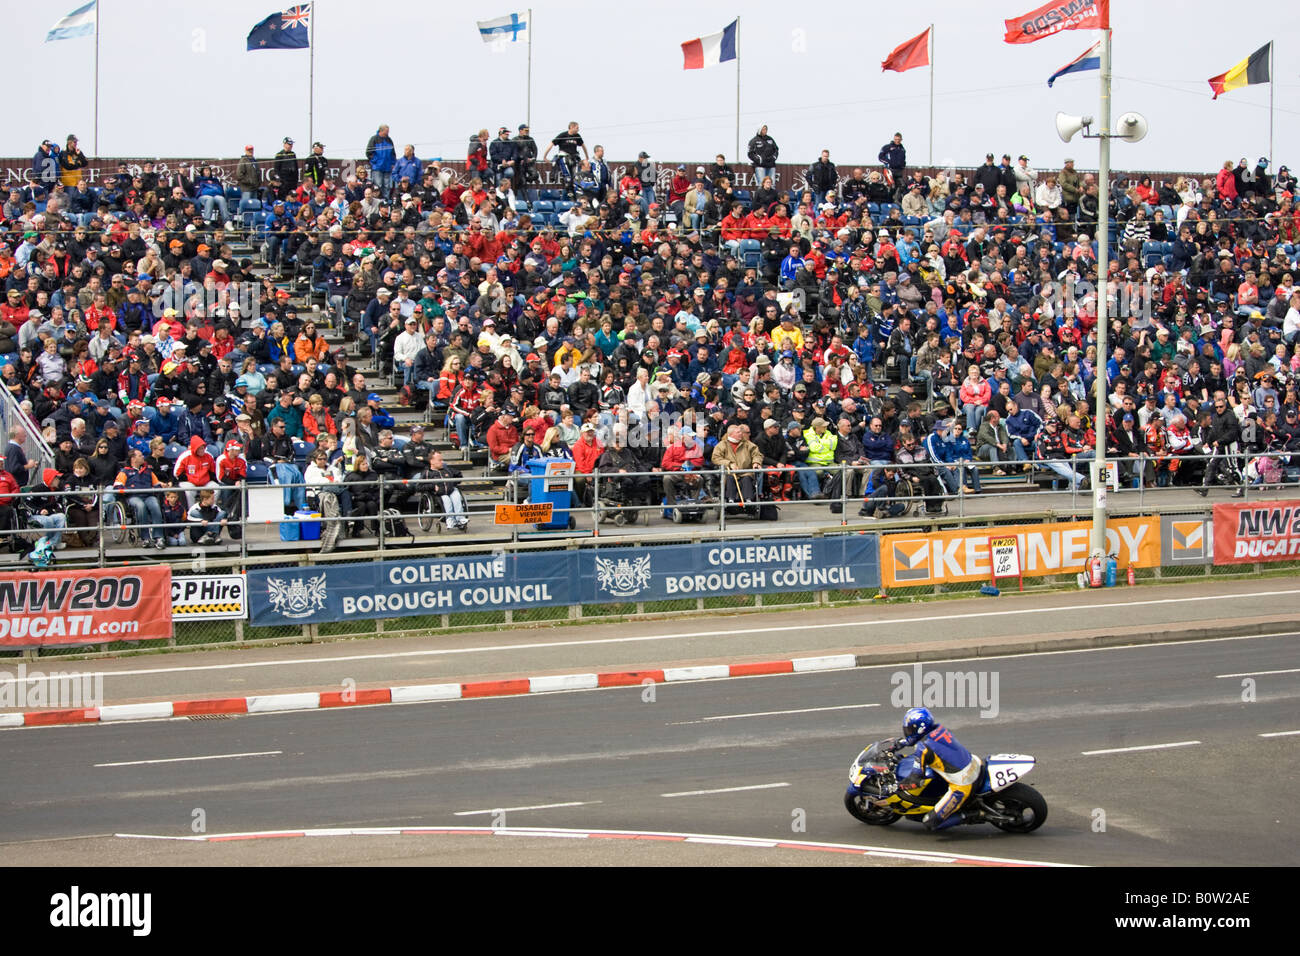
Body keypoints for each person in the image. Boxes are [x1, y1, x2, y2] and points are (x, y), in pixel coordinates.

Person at [888, 707, 982, 831]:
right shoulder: (939, 729)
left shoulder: (923, 749)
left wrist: (897, 786)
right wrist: (900, 743)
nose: (908, 731)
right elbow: (917, 739)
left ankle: (974, 815)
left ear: (919, 728)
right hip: (974, 763)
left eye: (910, 729)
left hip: (963, 784)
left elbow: (915, 780)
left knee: (930, 822)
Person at [416, 450, 468, 531]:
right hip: (438, 494)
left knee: (456, 496)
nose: (442, 462)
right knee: (446, 500)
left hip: (450, 490)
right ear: (432, 461)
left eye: (442, 460)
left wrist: (452, 483)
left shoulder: (447, 469)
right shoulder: (426, 473)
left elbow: (459, 475)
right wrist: (432, 486)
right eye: (439, 460)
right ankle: (450, 519)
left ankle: (460, 518)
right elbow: (418, 487)